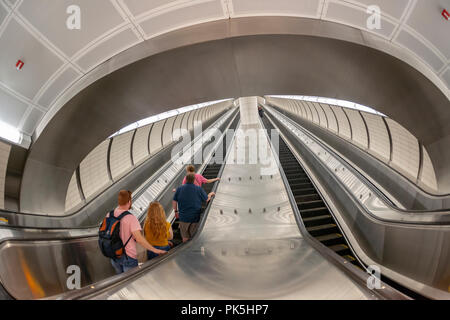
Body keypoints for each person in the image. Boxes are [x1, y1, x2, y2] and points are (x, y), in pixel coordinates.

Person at [108, 190, 167, 274]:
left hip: (114, 255)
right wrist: (155, 250)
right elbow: (139, 239)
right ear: (129, 202)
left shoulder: (110, 214)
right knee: (130, 281)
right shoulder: (131, 218)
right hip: (128, 257)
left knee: (119, 278)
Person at [173, 173, 215, 242]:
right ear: (194, 180)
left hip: (183, 217)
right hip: (194, 217)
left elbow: (174, 201)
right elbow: (207, 199)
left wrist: (176, 211)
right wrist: (210, 194)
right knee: (193, 237)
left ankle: (185, 251)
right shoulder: (198, 189)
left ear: (186, 180)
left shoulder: (179, 189)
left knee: (185, 238)